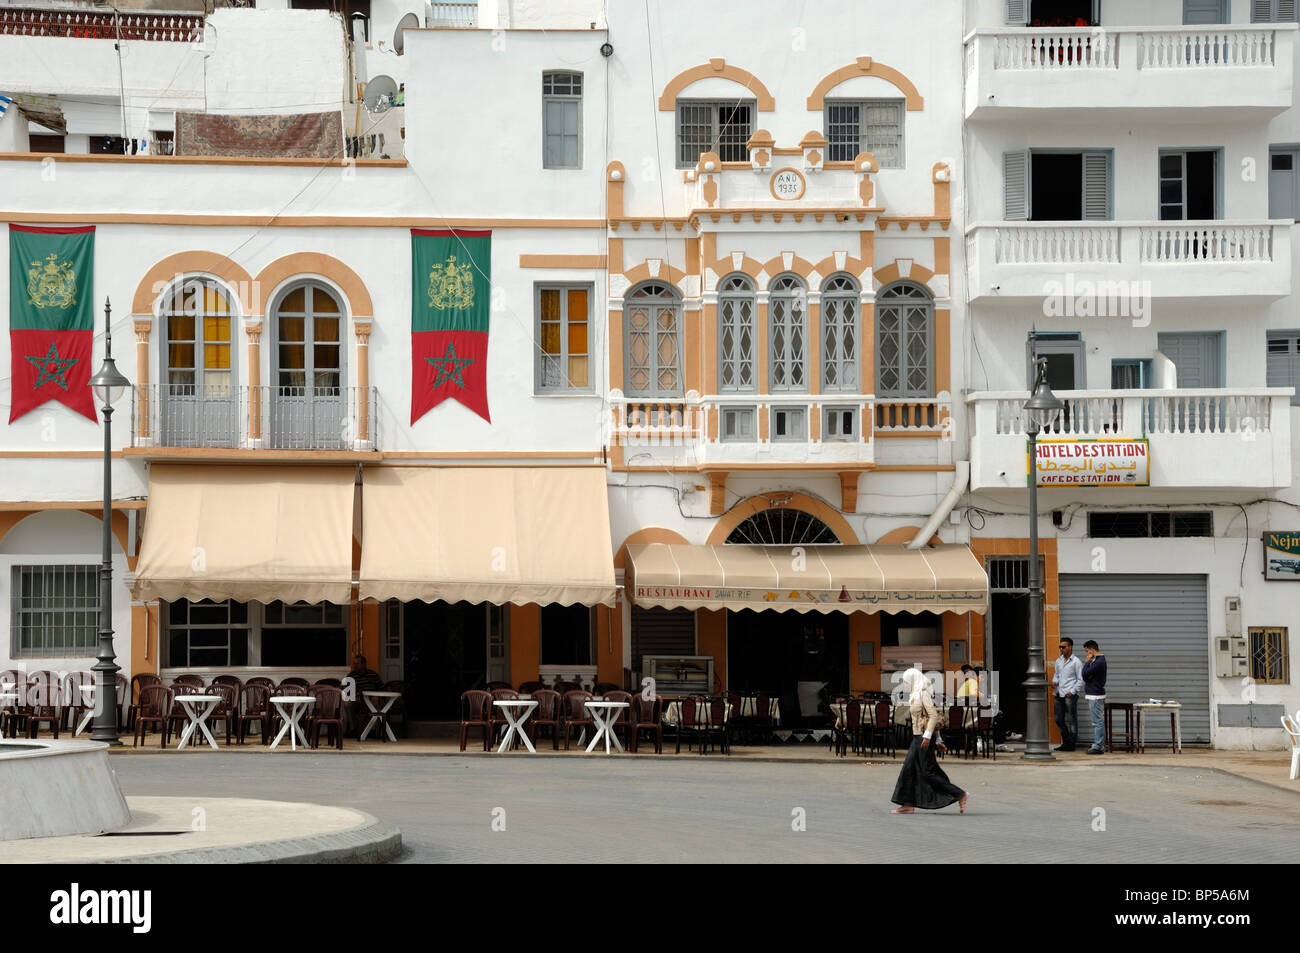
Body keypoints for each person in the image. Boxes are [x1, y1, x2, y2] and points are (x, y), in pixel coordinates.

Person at [891, 668, 969, 815]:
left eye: (907, 682)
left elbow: (933, 716)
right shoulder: (915, 694)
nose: (906, 684)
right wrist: (937, 738)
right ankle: (907, 804)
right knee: (909, 770)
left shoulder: (923, 693)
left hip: (923, 739)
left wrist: (929, 737)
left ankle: (960, 793)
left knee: (927, 772)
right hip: (918, 737)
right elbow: (927, 719)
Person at [1052, 638, 1084, 752]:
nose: (1061, 649)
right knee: (1058, 719)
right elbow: (1057, 674)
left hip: (1069, 694)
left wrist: (1073, 691)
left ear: (1070, 647)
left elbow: (1080, 679)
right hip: (1058, 693)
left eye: (1063, 647)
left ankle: (1071, 744)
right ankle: (1066, 742)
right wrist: (1054, 681)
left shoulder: (1076, 662)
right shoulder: (1058, 660)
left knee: (1071, 720)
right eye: (1060, 647)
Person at [344, 654, 384, 736]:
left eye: (357, 663)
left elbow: (382, 688)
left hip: (371, 699)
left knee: (377, 705)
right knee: (347, 704)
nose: (355, 666)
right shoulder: (351, 676)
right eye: (354, 663)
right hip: (357, 700)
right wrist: (351, 697)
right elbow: (345, 690)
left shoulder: (373, 675)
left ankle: (372, 731)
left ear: (364, 664)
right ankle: (353, 729)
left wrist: (377, 696)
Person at [1082, 640, 1107, 754]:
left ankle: (1098, 746)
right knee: (1097, 721)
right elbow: (1086, 677)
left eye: (1087, 651)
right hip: (1093, 693)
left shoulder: (1099, 661)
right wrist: (1088, 674)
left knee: (1097, 721)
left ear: (1092, 650)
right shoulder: (1096, 661)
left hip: (1095, 695)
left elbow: (1084, 674)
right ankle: (1098, 745)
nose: (1087, 654)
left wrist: (1086, 663)